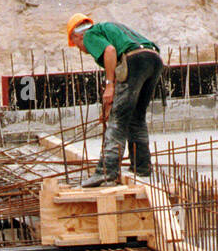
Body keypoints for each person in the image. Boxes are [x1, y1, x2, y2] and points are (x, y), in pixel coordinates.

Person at [66, 14, 163, 187]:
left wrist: (109, 85)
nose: (83, 49)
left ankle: (106, 171)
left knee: (118, 121)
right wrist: (108, 106)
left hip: (134, 60)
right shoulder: (111, 29)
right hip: (153, 60)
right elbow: (122, 77)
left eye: (78, 46)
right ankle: (142, 167)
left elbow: (109, 51)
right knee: (136, 117)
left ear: (77, 36)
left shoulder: (89, 34)